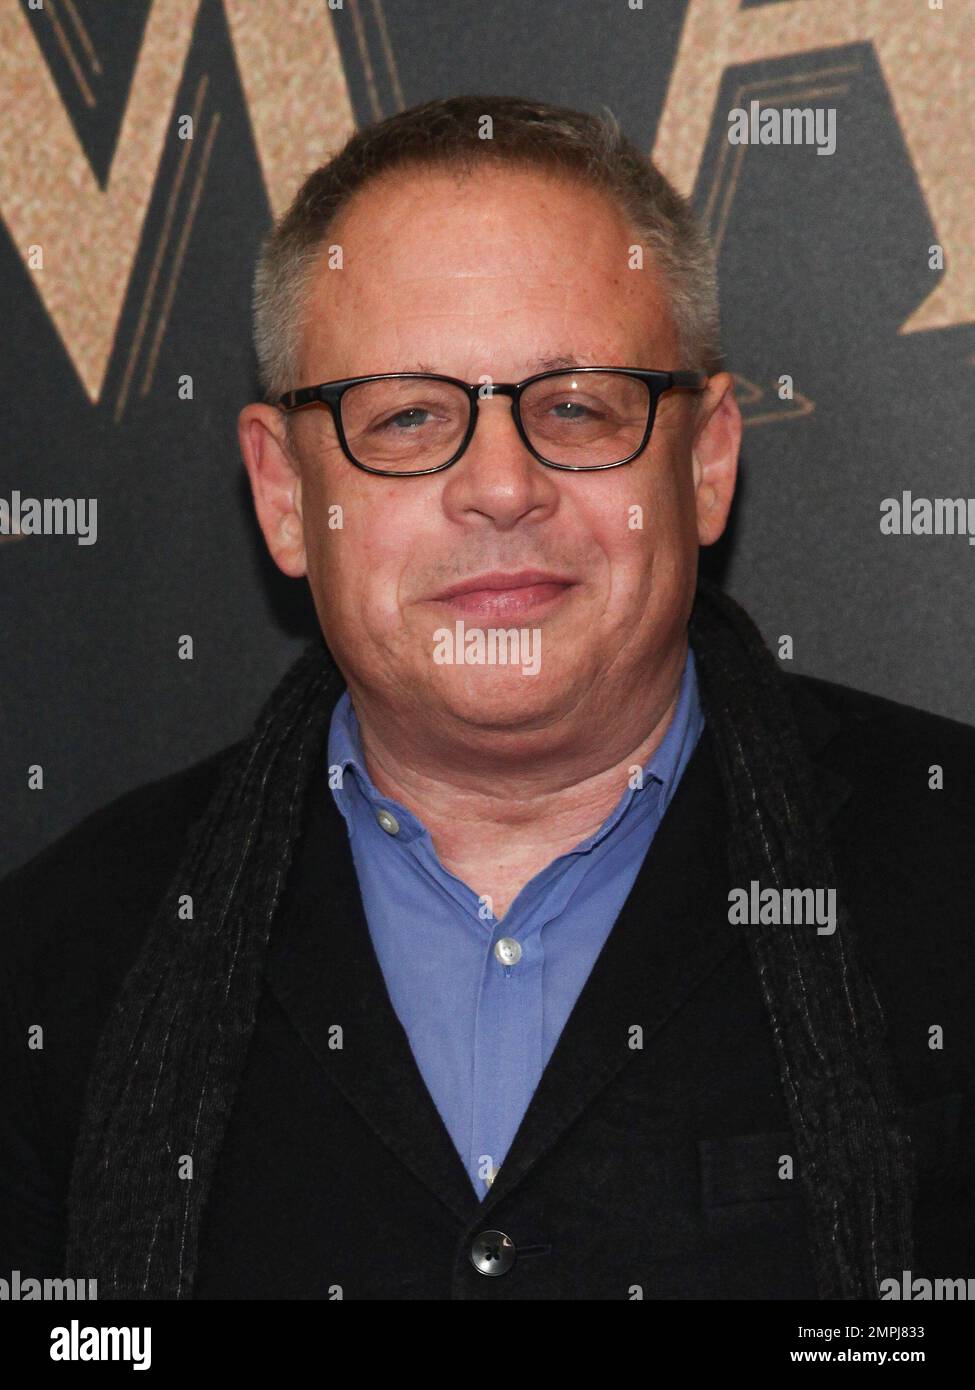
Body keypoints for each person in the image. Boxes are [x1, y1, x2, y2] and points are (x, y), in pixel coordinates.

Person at [1, 95, 973, 1302]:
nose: (502, 487)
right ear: (285, 493)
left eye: (575, 405)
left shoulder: (950, 861)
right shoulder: (65, 958)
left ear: (708, 460)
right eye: (407, 417)